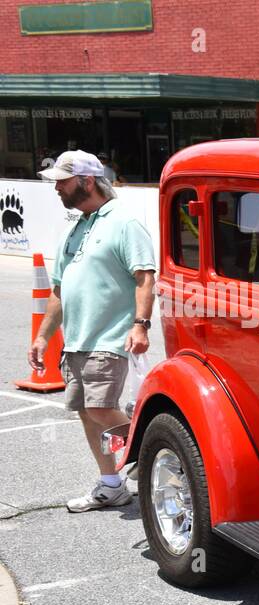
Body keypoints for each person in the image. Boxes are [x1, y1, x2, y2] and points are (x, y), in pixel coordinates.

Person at [26, 150, 155, 512]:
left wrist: (140, 324)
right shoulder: (74, 226)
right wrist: (42, 337)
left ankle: (162, 454)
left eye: (62, 181)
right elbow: (59, 289)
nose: (57, 188)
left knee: (100, 408)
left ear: (86, 181)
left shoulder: (124, 222)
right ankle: (111, 484)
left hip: (109, 337)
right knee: (87, 412)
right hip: (76, 340)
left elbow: (145, 277)